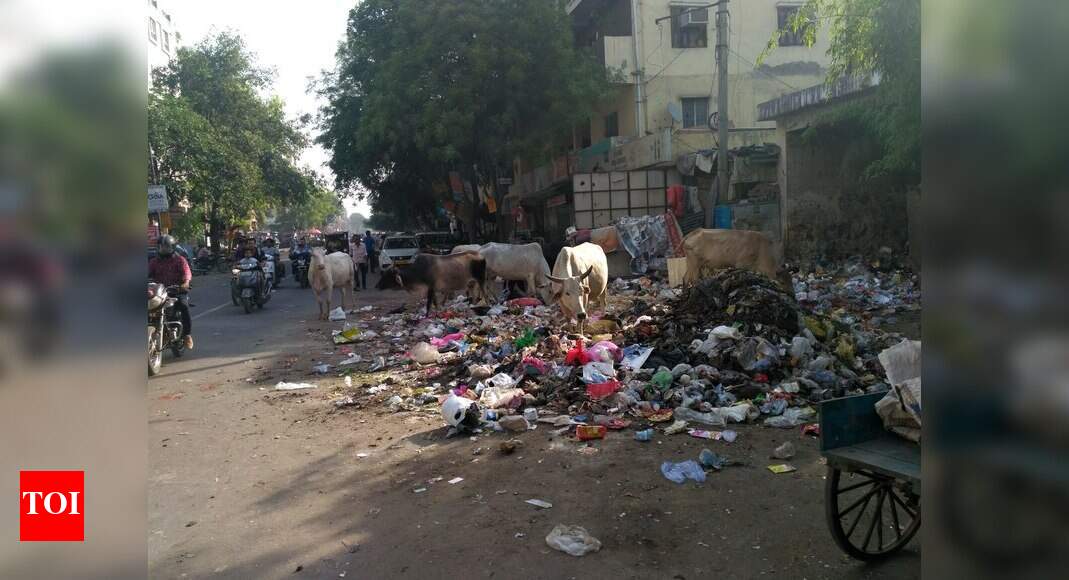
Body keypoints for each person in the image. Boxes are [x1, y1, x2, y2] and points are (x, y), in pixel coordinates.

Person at [148, 235, 194, 350]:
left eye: (166, 247)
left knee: (184, 306)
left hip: (177, 290)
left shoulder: (180, 260)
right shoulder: (154, 262)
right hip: (159, 292)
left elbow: (187, 273)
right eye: (161, 247)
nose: (163, 249)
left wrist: (185, 283)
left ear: (172, 247)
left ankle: (187, 335)